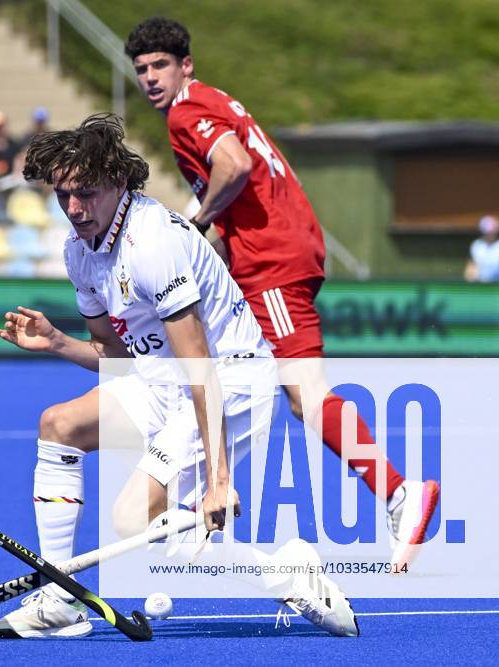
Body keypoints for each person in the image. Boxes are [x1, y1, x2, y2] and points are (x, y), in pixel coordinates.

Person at [0, 114, 357, 639]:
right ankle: (57, 600)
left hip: (229, 382)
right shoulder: (80, 251)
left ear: (119, 182)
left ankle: (286, 574)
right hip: (165, 382)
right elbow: (120, 357)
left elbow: (199, 365)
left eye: (86, 193)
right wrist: (57, 343)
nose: (73, 208)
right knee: (58, 425)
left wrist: (218, 482)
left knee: (133, 519)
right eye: (63, 195)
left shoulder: (152, 244)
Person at [124, 17, 438, 567]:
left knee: (303, 393)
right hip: (279, 249)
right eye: (142, 69)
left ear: (185, 66)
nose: (151, 77)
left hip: (272, 260)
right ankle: (205, 495)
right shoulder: (215, 101)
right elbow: (236, 194)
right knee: (234, 373)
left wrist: (191, 224)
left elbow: (235, 166)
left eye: (160, 66)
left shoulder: (186, 110)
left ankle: (398, 492)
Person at [464, 214, 499, 282]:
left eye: (492, 232)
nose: (490, 234)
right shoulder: (476, 245)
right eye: (487, 232)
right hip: (481, 285)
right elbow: (471, 267)